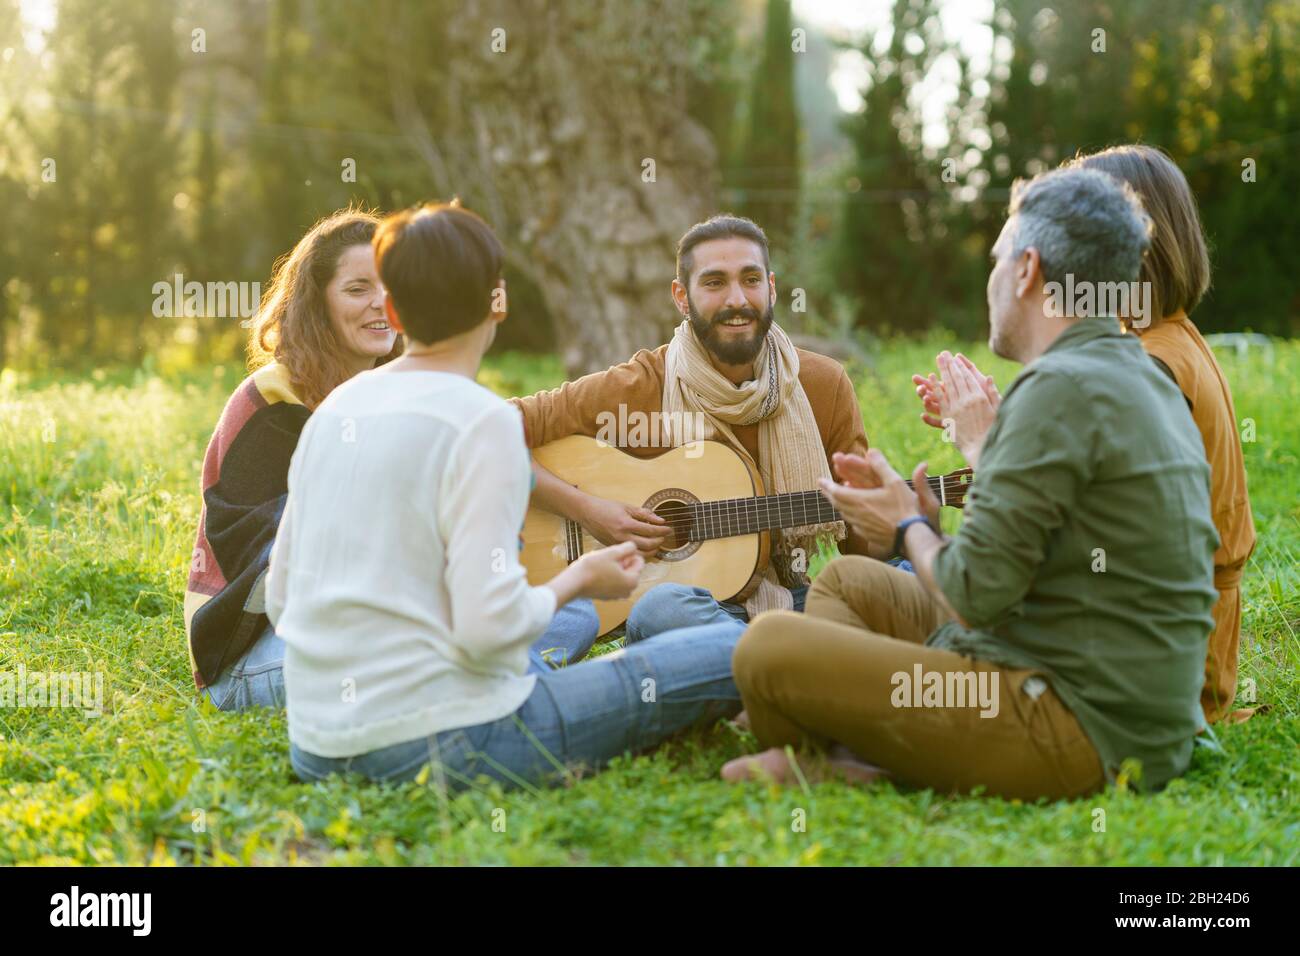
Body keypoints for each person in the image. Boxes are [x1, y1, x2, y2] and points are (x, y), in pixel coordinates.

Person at [722, 166, 1219, 799]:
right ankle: (867, 748)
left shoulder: (1060, 388)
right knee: (848, 580)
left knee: (766, 648)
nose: (990, 278)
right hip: (1118, 705)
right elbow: (1020, 568)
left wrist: (905, 526)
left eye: (996, 258)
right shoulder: (1130, 372)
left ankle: (846, 767)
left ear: (1025, 269)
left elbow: (975, 595)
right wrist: (928, 526)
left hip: (1078, 729)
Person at [271, 202, 742, 789]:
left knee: (564, 629)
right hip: (452, 741)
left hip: (315, 744)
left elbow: (280, 594)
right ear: (497, 300)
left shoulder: (335, 408)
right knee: (734, 649)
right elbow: (488, 631)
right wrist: (581, 578)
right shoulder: (481, 421)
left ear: (393, 308)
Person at [185, 208, 598, 712]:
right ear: (317, 303)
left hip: (379, 627)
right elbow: (282, 573)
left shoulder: (389, 392)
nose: (379, 304)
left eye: (389, 288)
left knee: (576, 614)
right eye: (357, 289)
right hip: (256, 651)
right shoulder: (271, 404)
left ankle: (474, 679)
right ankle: (491, 686)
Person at [913, 144, 1255, 724]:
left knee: (901, 598)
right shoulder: (1164, 342)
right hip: (1150, 646)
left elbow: (1060, 561)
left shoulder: (1154, 363)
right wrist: (999, 436)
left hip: (1158, 668)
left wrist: (981, 449)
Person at [513, 215, 872, 642]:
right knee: (662, 610)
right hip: (685, 611)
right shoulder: (644, 382)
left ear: (772, 288)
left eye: (751, 279)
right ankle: (776, 658)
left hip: (787, 597)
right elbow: (489, 431)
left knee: (905, 580)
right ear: (681, 297)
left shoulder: (823, 385)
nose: (736, 299)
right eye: (715, 282)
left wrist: (911, 523)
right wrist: (587, 510)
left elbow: (867, 553)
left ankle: (751, 659)